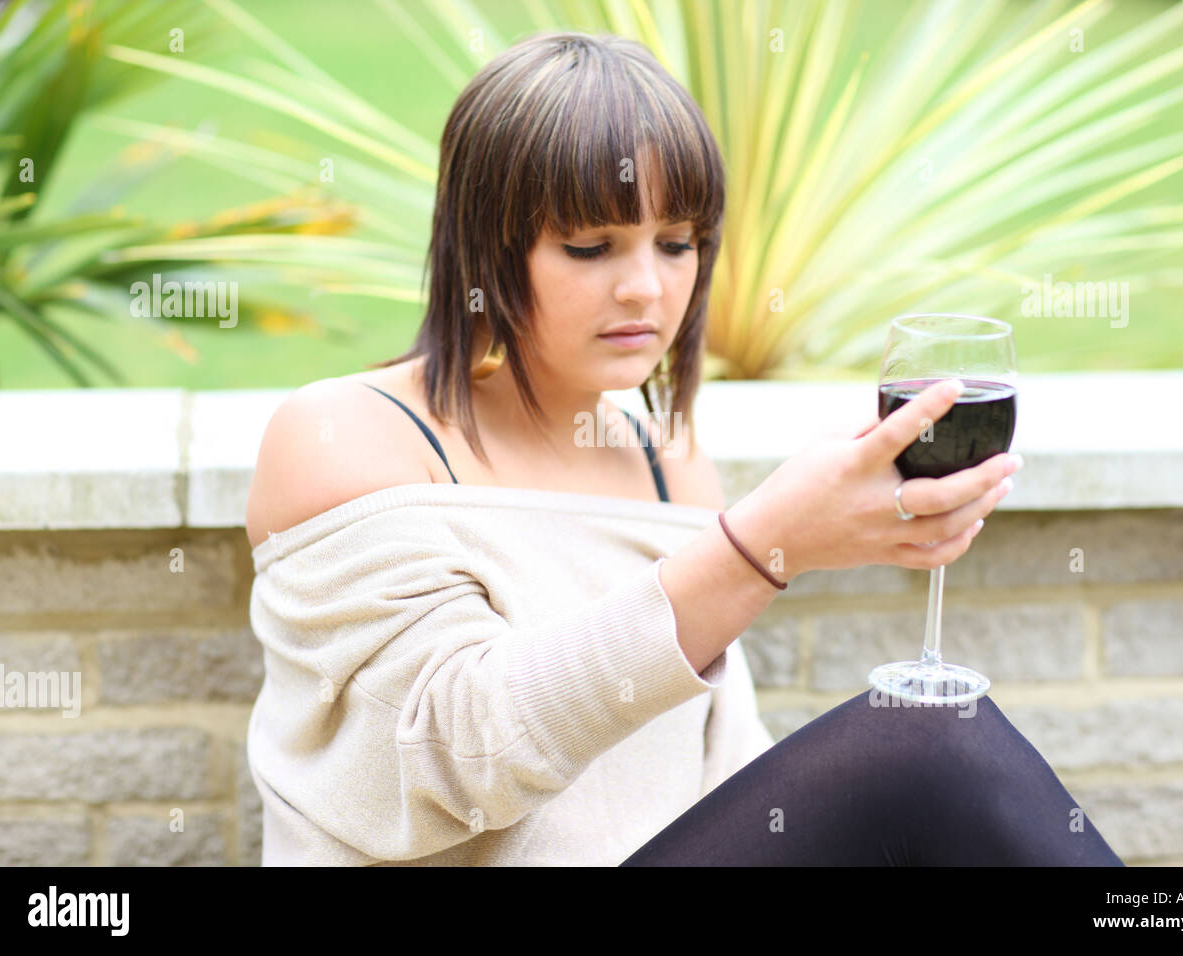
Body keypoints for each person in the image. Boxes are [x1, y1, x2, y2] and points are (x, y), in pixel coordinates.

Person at [243, 31, 1124, 866]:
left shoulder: (666, 463)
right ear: (485, 248)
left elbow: (727, 787)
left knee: (932, 751)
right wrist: (761, 547)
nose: (645, 288)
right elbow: (454, 760)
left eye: (677, 245)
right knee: (927, 742)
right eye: (591, 246)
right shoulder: (347, 435)